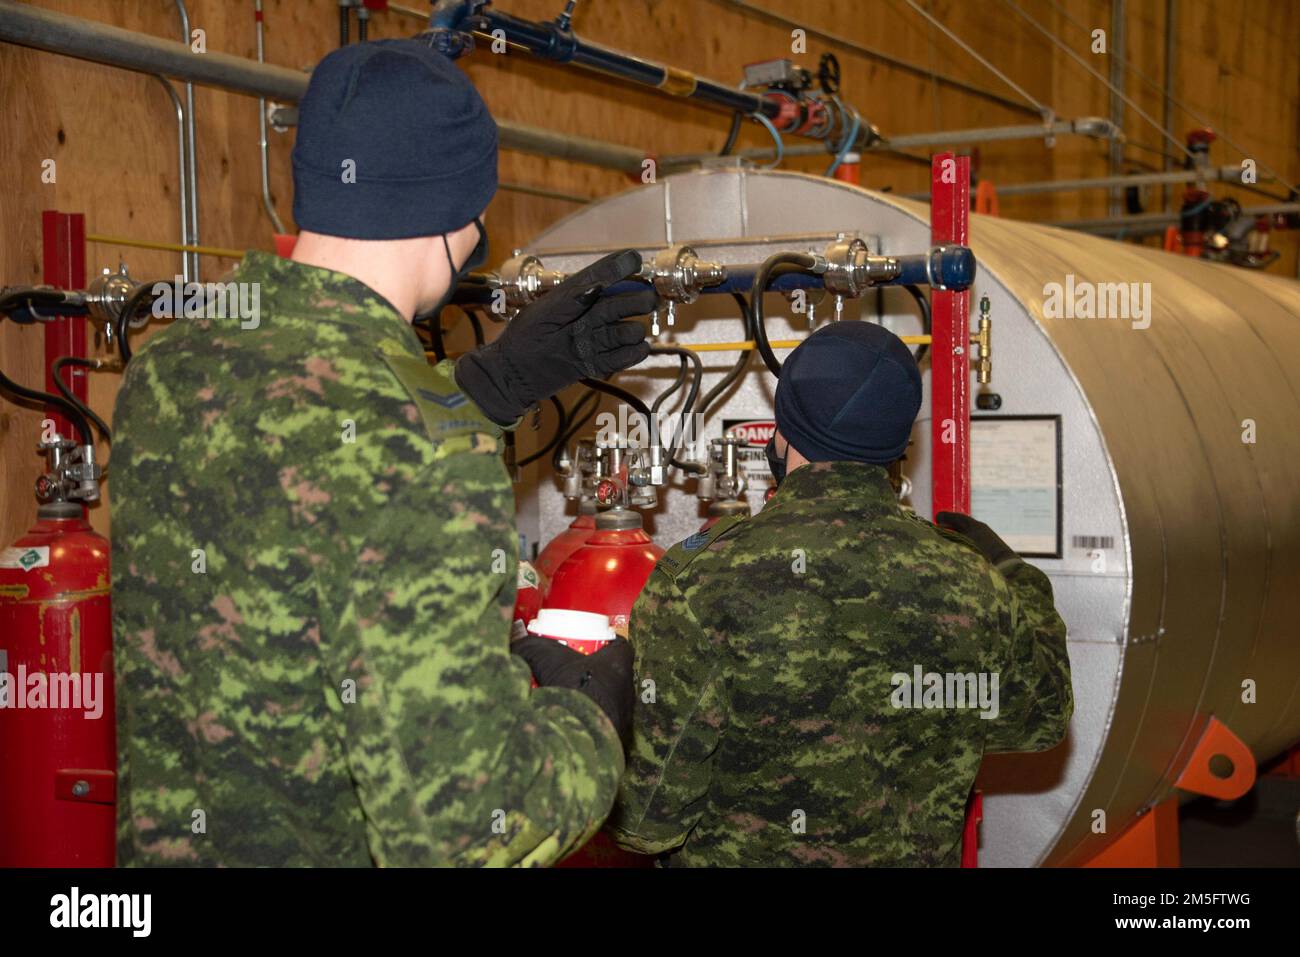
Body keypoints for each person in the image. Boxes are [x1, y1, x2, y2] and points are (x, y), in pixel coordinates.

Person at [111, 38, 656, 866]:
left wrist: (490, 383)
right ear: (461, 220)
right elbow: (467, 832)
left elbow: (308, 449)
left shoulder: (166, 374)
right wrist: (594, 724)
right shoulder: (425, 451)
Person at [609, 321, 1073, 866]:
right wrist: (1017, 576)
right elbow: (1041, 718)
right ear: (901, 443)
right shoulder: (973, 582)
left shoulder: (701, 583)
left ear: (782, 433)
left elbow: (646, 821)